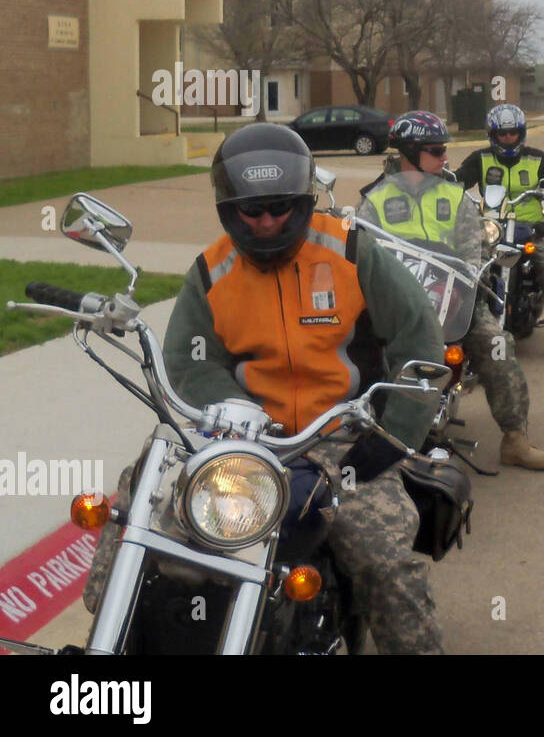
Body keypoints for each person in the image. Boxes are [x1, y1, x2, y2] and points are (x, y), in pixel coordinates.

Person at [83, 123, 449, 653]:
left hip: (343, 439)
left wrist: (390, 437)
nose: (267, 221)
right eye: (251, 211)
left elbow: (419, 341)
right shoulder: (212, 271)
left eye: (281, 207)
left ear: (302, 203)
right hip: (246, 438)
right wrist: (233, 410)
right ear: (229, 210)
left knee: (384, 560)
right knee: (144, 493)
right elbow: (188, 358)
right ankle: (108, 628)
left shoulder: (351, 251)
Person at [359, 110, 544, 470]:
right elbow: (363, 257)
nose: (444, 157)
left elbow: (474, 252)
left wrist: (465, 282)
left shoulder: (456, 196)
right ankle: (366, 433)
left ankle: (514, 439)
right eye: (435, 150)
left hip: (453, 298)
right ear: (407, 152)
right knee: (357, 349)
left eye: (444, 150)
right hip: (395, 304)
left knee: (498, 345)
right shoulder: (374, 201)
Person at [454, 103, 544, 361]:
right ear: (493, 134)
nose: (508, 138)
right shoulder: (479, 159)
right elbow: (456, 185)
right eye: (503, 134)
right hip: (490, 230)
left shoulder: (539, 159)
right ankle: (461, 329)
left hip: (531, 230)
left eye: (513, 133)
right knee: (465, 269)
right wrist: (447, 187)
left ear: (521, 133)